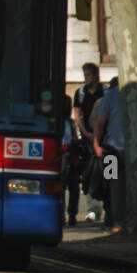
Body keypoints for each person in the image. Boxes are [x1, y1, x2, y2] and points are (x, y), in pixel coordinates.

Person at [92, 76, 126, 233]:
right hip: (111, 149)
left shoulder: (109, 95)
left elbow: (98, 123)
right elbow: (99, 122)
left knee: (110, 185)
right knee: (111, 184)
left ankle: (113, 219)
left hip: (110, 148)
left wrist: (96, 144)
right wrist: (96, 144)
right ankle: (114, 219)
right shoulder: (110, 95)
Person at [72, 62, 104, 221]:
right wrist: (85, 133)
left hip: (106, 142)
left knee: (110, 173)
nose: (86, 78)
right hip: (88, 141)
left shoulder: (104, 92)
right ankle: (93, 208)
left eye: (88, 75)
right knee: (89, 173)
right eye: (84, 75)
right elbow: (77, 116)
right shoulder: (81, 93)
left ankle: (111, 208)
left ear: (96, 75)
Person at [60, 93, 81, 226]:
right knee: (60, 188)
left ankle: (72, 214)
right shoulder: (56, 123)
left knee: (74, 188)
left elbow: (75, 138)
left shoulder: (71, 123)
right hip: (61, 156)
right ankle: (61, 215)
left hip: (71, 156)